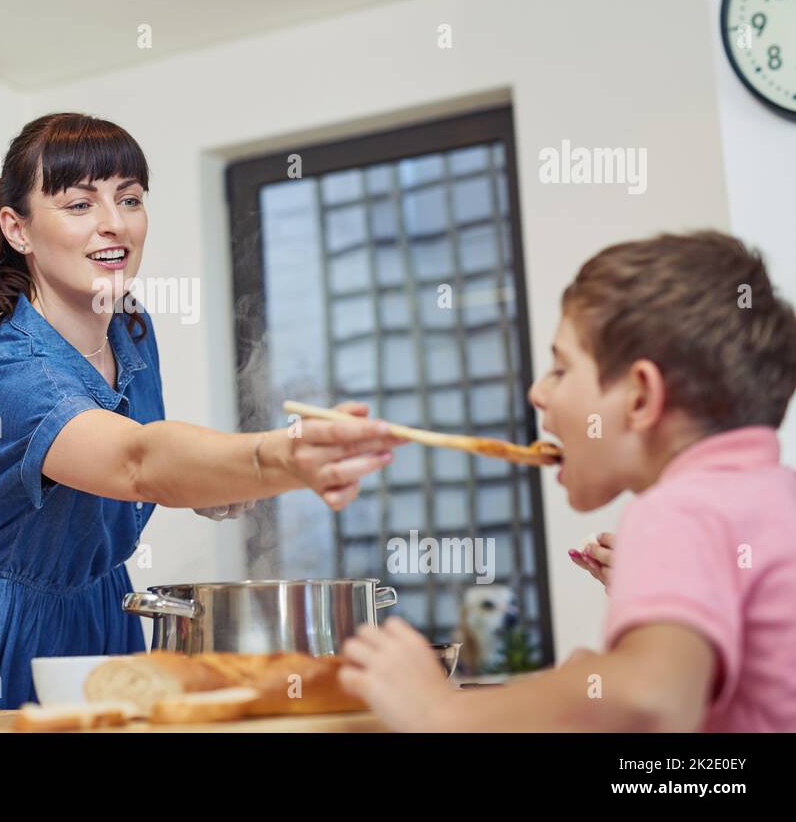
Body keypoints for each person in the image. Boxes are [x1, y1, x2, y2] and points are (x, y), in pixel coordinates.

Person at [0, 112, 404, 709]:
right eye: (79, 205)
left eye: (129, 199)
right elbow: (136, 463)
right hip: (4, 635)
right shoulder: (14, 372)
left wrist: (208, 482)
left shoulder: (132, 328)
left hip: (106, 613)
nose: (114, 224)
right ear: (17, 229)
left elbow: (144, 456)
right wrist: (278, 454)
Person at [339, 231, 796, 731]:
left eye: (561, 367)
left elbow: (648, 698)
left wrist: (442, 710)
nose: (538, 392)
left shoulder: (678, 508)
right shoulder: (773, 496)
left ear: (640, 397)